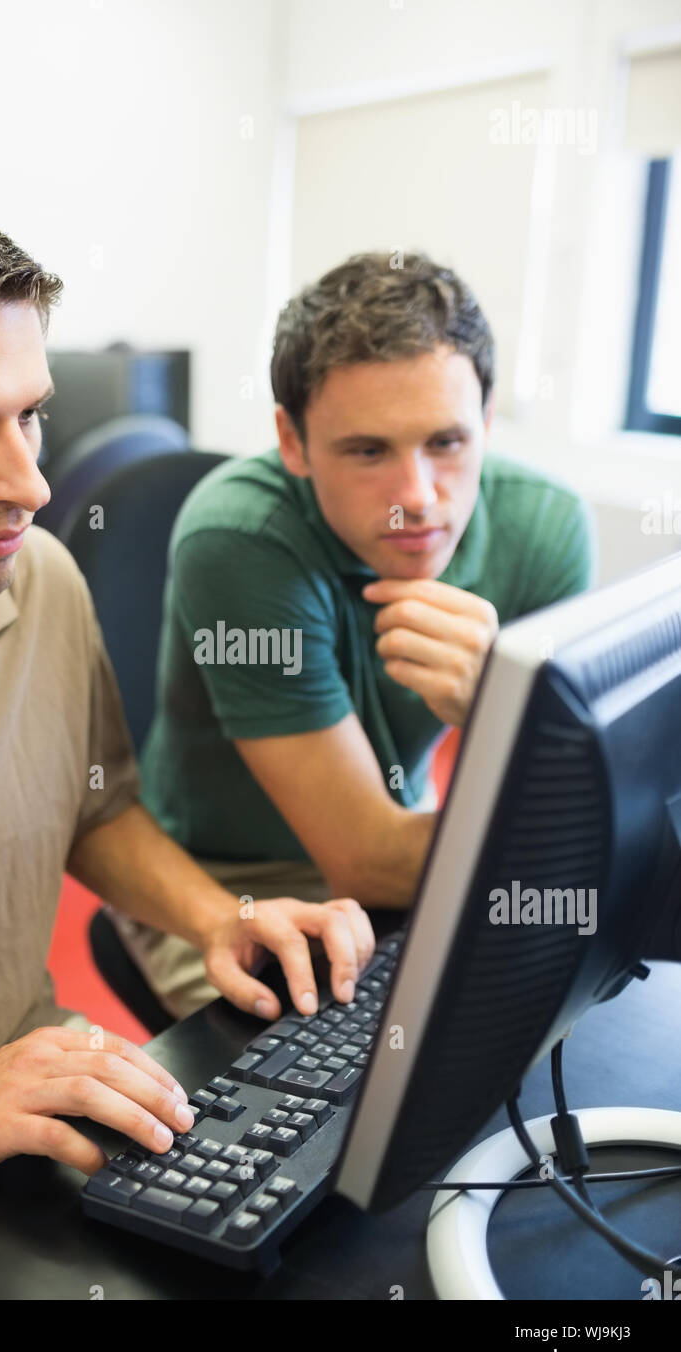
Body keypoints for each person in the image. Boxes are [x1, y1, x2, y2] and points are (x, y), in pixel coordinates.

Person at [0, 180, 374, 1256]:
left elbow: (95, 810)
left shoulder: (36, 583)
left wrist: (218, 916)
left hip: (26, 1103)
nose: (27, 480)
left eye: (31, 414)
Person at [119, 250, 596, 1018]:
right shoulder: (241, 538)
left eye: (447, 442)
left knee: (567, 1028)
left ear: (487, 420)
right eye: (369, 450)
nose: (417, 497)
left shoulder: (546, 526)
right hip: (224, 883)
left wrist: (512, 722)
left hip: (417, 835)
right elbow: (368, 861)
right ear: (294, 441)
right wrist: (541, 747)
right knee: (342, 1105)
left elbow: (547, 804)